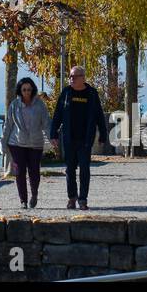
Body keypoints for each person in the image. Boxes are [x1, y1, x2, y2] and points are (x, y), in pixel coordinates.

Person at [50, 66, 108, 210]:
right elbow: (57, 114)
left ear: (83, 78)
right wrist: (53, 133)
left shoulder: (92, 94)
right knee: (70, 169)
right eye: (70, 76)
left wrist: (103, 134)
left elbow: (99, 115)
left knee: (84, 169)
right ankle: (72, 198)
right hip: (69, 138)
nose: (71, 79)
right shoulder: (66, 93)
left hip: (85, 139)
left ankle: (83, 199)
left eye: (74, 76)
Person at [3, 76, 51, 209]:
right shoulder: (14, 105)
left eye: (29, 89)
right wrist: (3, 143)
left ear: (33, 90)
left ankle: (34, 194)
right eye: (24, 90)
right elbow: (7, 125)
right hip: (17, 143)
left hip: (35, 144)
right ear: (20, 91)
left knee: (34, 172)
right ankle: (23, 200)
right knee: (20, 172)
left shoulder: (40, 105)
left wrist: (53, 138)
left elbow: (46, 123)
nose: (26, 92)